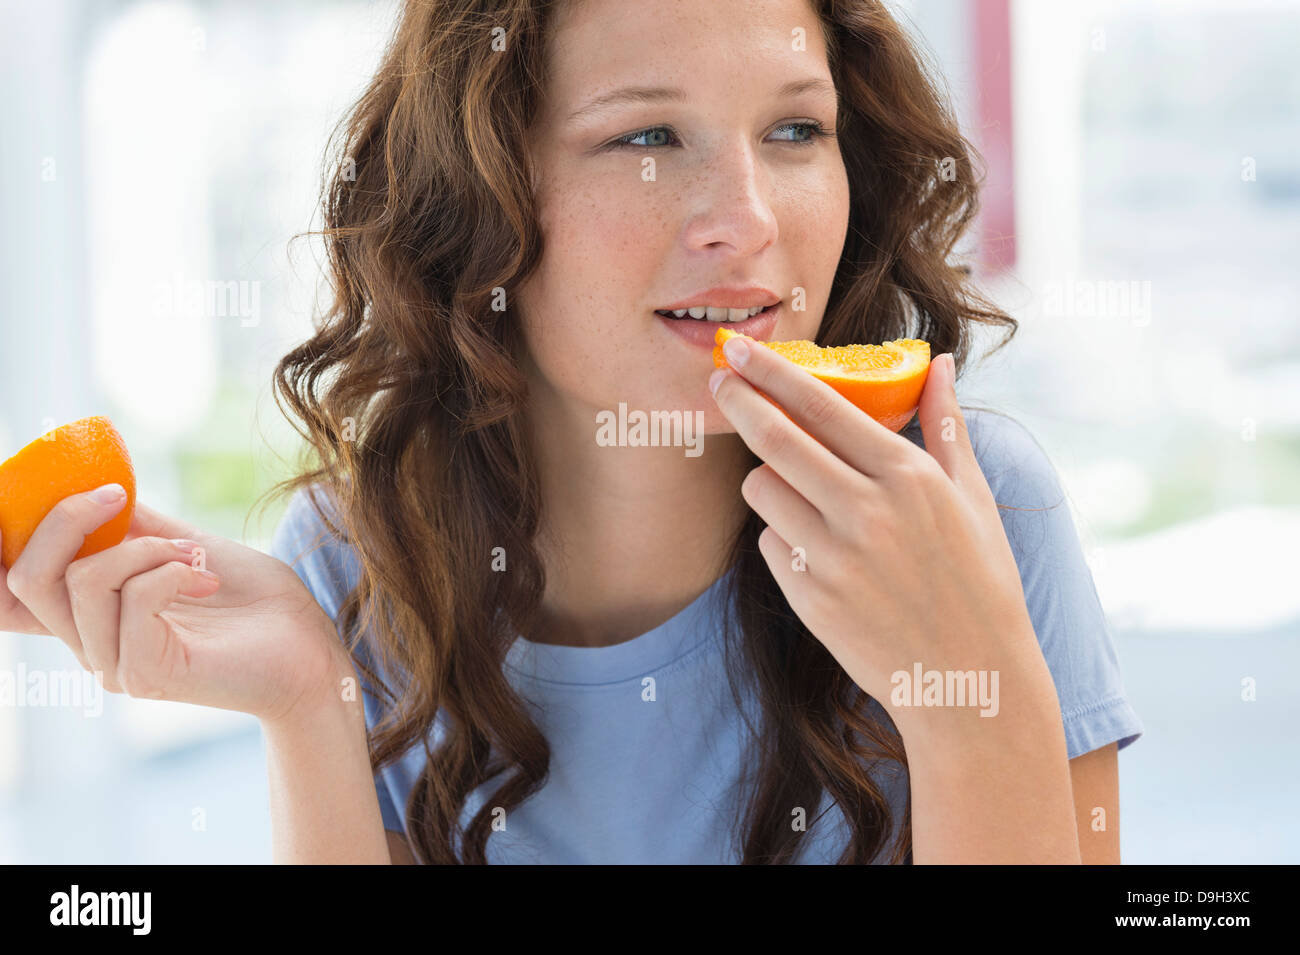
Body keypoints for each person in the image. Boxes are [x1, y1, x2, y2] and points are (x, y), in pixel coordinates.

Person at [0, 0, 1142, 864]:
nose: (747, 222)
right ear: (479, 197)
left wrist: (969, 680)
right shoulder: (355, 560)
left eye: (795, 129)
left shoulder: (975, 506)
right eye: (646, 137)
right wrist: (310, 705)